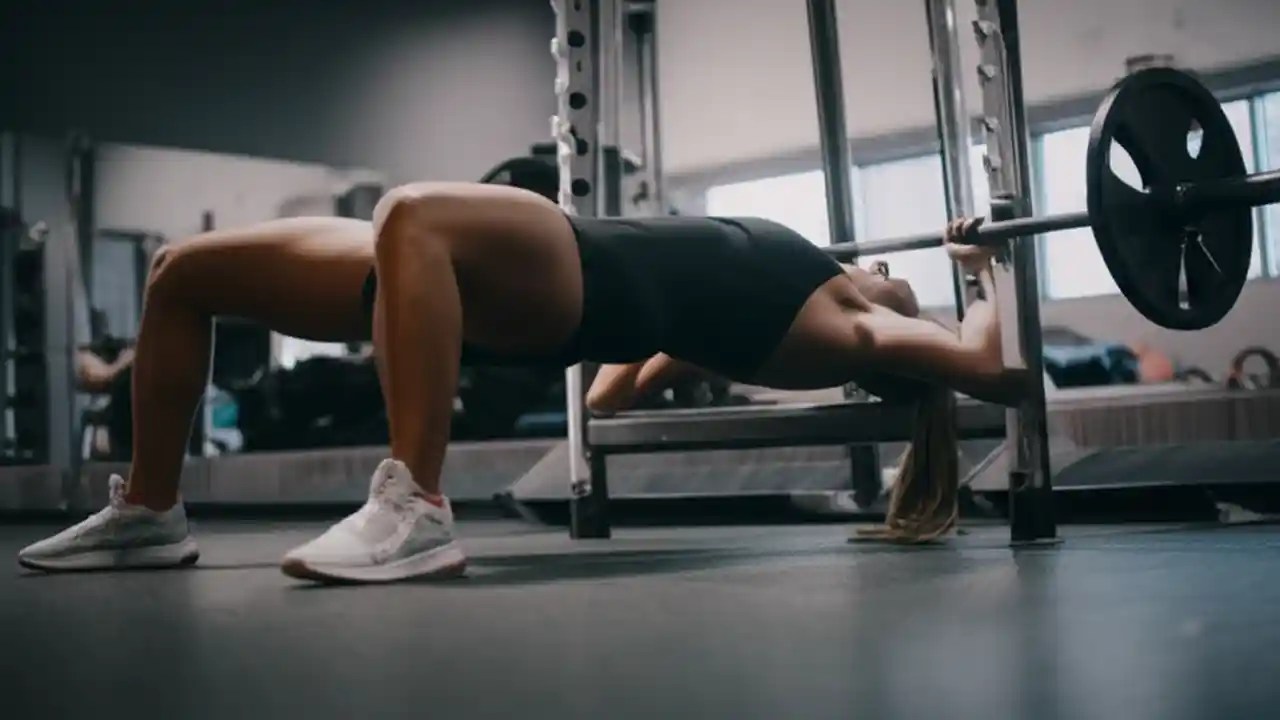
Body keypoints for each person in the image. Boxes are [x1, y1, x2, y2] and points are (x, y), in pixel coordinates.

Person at [17, 182, 1019, 582]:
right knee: (183, 276)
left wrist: (981, 269)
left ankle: (415, 509)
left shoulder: (846, 326)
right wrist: (672, 347)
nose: (901, 276)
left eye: (913, 291)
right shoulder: (797, 302)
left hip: (571, 274)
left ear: (893, 319)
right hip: (525, 284)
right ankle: (150, 509)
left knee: (414, 211)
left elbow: (986, 364)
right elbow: (603, 401)